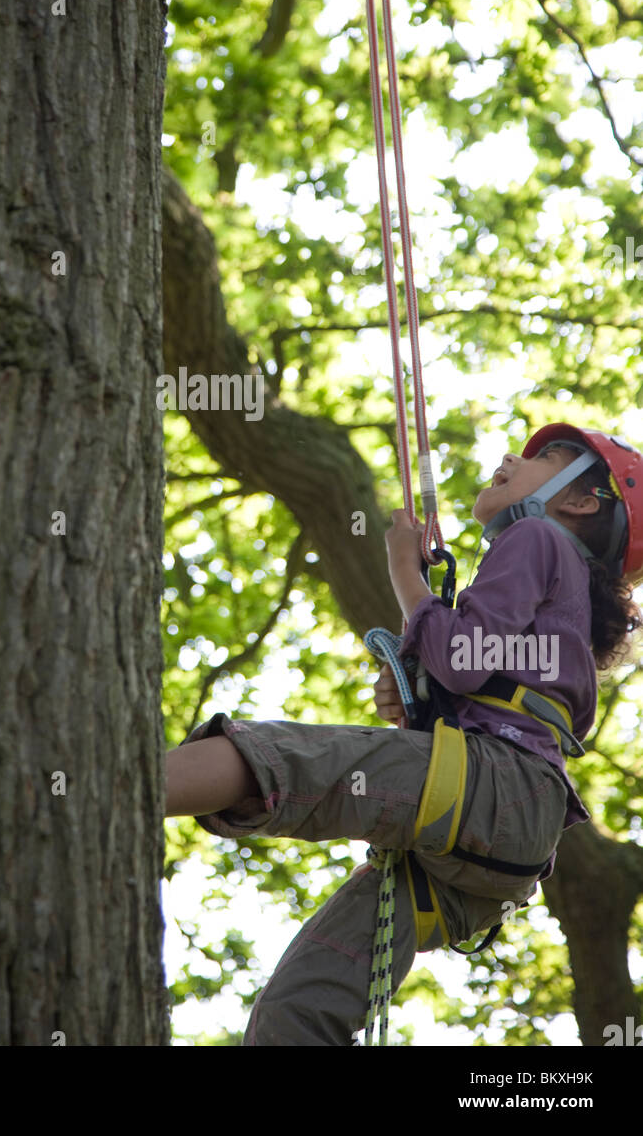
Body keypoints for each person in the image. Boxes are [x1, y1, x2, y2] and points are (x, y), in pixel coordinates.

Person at [164, 425, 643, 1045]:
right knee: (302, 1002)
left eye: (543, 457)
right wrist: (421, 698)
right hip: (504, 845)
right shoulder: (560, 596)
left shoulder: (537, 538)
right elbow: (473, 677)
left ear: (580, 501)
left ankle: (113, 790)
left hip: (496, 788)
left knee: (298, 761)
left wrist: (403, 573)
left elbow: (463, 657)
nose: (509, 459)